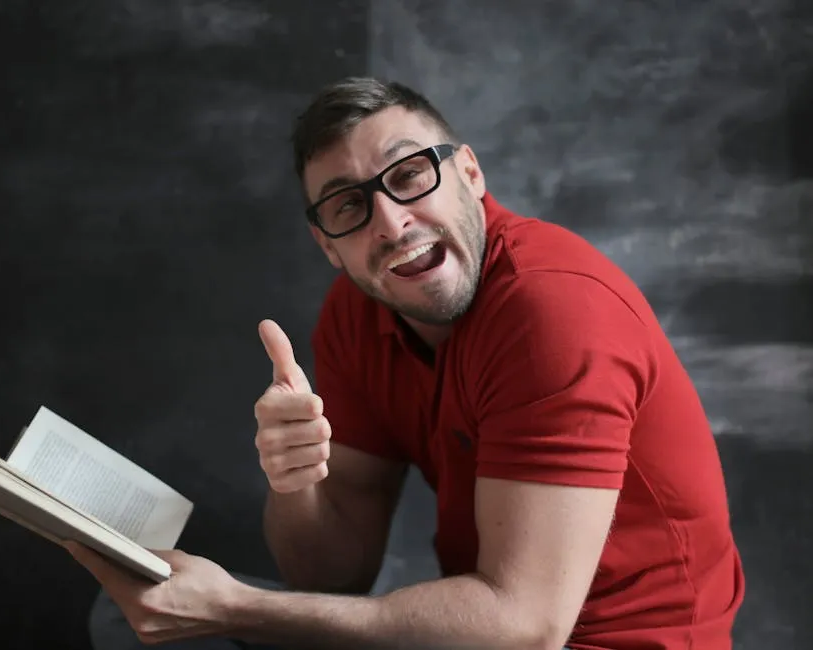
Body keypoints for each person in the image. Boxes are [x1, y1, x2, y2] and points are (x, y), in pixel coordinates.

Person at [71, 77, 745, 650]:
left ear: (471, 175)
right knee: (129, 618)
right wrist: (294, 480)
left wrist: (233, 606)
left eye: (408, 174)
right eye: (349, 207)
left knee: (198, 623)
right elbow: (332, 577)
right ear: (328, 245)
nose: (390, 223)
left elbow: (527, 626)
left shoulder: (554, 310)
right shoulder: (358, 312)